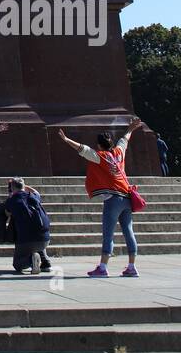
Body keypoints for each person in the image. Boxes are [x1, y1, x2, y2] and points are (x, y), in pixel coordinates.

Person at [58, 117, 143, 277]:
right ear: (110, 142)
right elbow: (124, 139)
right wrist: (131, 128)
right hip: (127, 197)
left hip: (114, 199)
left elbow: (82, 149)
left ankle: (103, 268)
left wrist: (66, 139)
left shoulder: (100, 156)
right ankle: (132, 267)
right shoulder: (119, 152)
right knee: (129, 231)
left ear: (99, 145)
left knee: (108, 234)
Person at [0, 176, 52, 274]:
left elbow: (7, 213)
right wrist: (23, 186)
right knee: (37, 233)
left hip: (26, 239)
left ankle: (31, 260)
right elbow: (37, 192)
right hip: (45, 239)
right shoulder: (33, 196)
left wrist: (11, 194)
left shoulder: (12, 200)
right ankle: (45, 262)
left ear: (12, 188)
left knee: (18, 264)